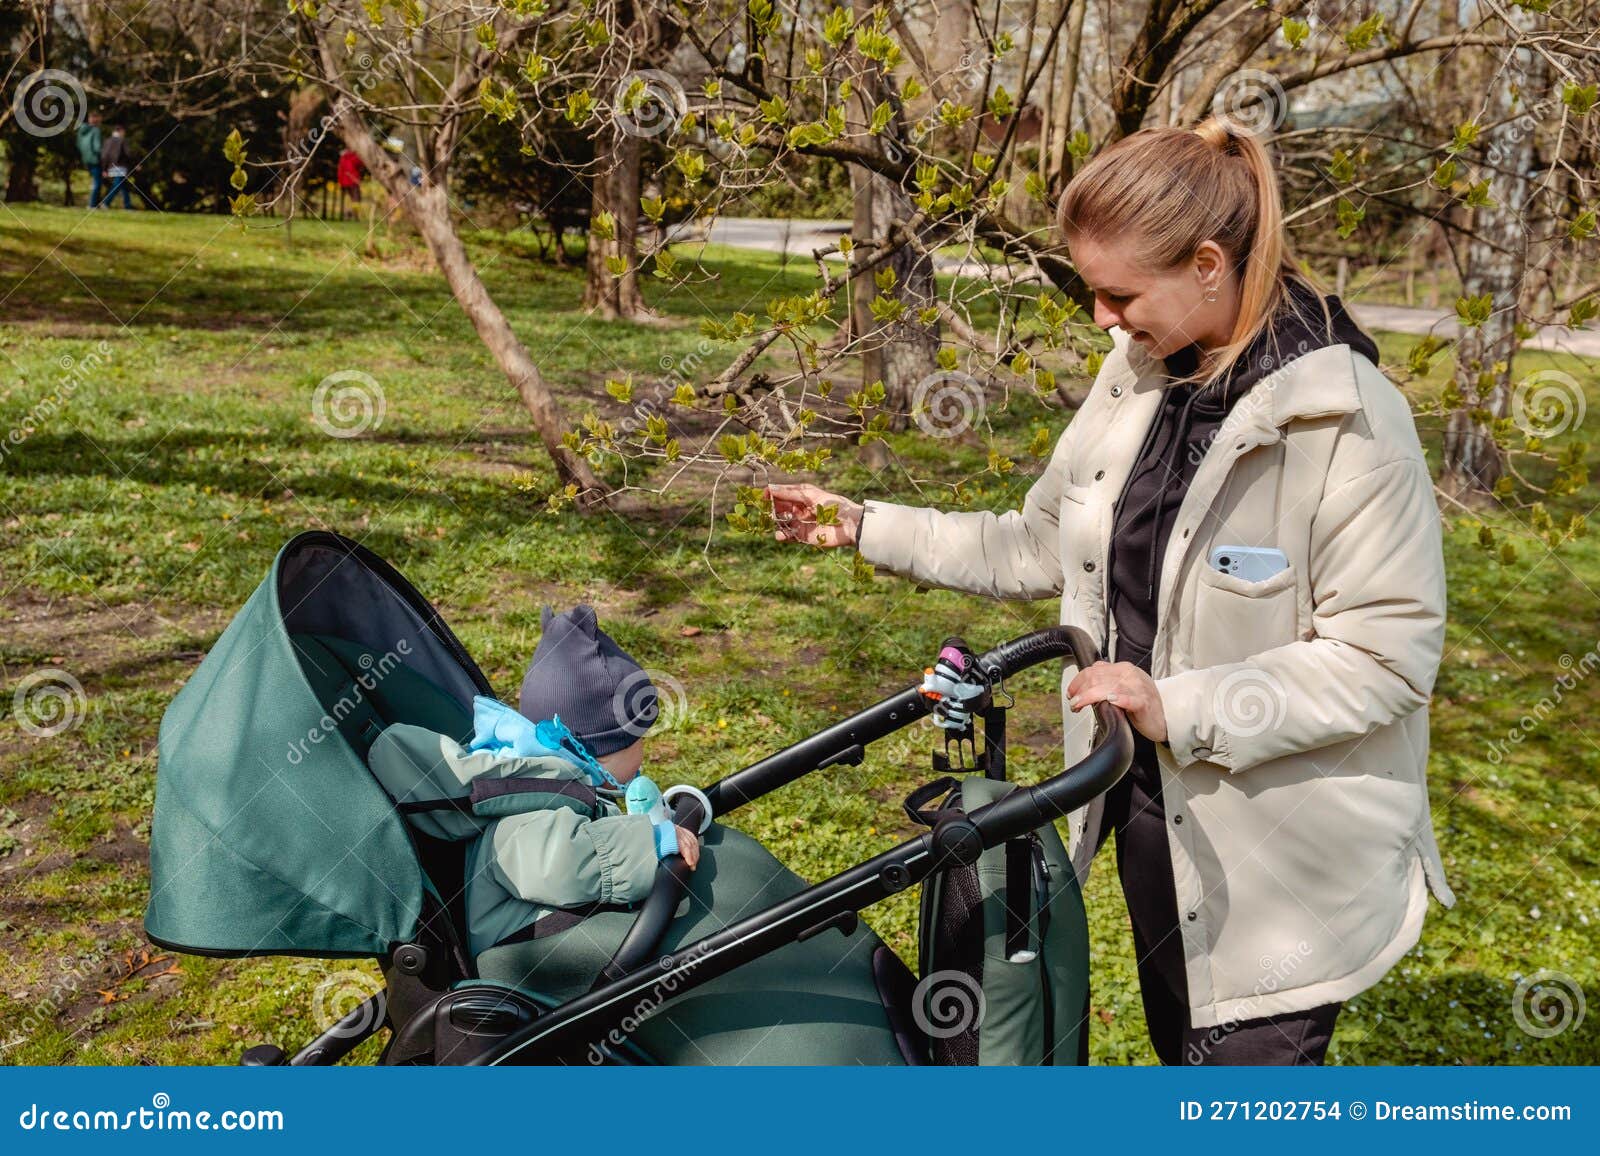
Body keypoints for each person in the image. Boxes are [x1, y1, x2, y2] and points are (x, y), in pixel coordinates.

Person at [767, 117, 1454, 1066]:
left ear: (1208, 264)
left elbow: (1384, 660)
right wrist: (864, 523)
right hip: (1147, 816)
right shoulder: (1135, 375)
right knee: (1183, 1051)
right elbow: (1039, 545)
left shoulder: (1349, 423)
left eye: (1118, 293)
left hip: (1282, 863)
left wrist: (1174, 703)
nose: (1100, 318)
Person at [99, 126, 134, 209]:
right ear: (120, 131)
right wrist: (134, 164)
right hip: (121, 166)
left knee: (122, 185)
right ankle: (106, 203)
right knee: (118, 185)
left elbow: (104, 156)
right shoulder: (122, 141)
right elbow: (128, 154)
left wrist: (104, 169)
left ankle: (128, 205)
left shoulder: (107, 141)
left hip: (111, 167)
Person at [75, 111, 102, 209]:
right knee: (97, 182)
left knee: (94, 181)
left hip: (85, 158)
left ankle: (93, 203)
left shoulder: (81, 130)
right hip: (95, 159)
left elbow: (78, 145)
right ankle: (92, 204)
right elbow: (97, 147)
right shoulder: (96, 130)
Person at [336, 147, 365, 217]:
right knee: (356, 198)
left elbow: (340, 170)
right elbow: (361, 165)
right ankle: (355, 214)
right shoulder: (355, 157)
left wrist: (340, 181)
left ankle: (348, 213)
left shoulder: (342, 158)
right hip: (354, 180)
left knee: (348, 198)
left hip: (345, 182)